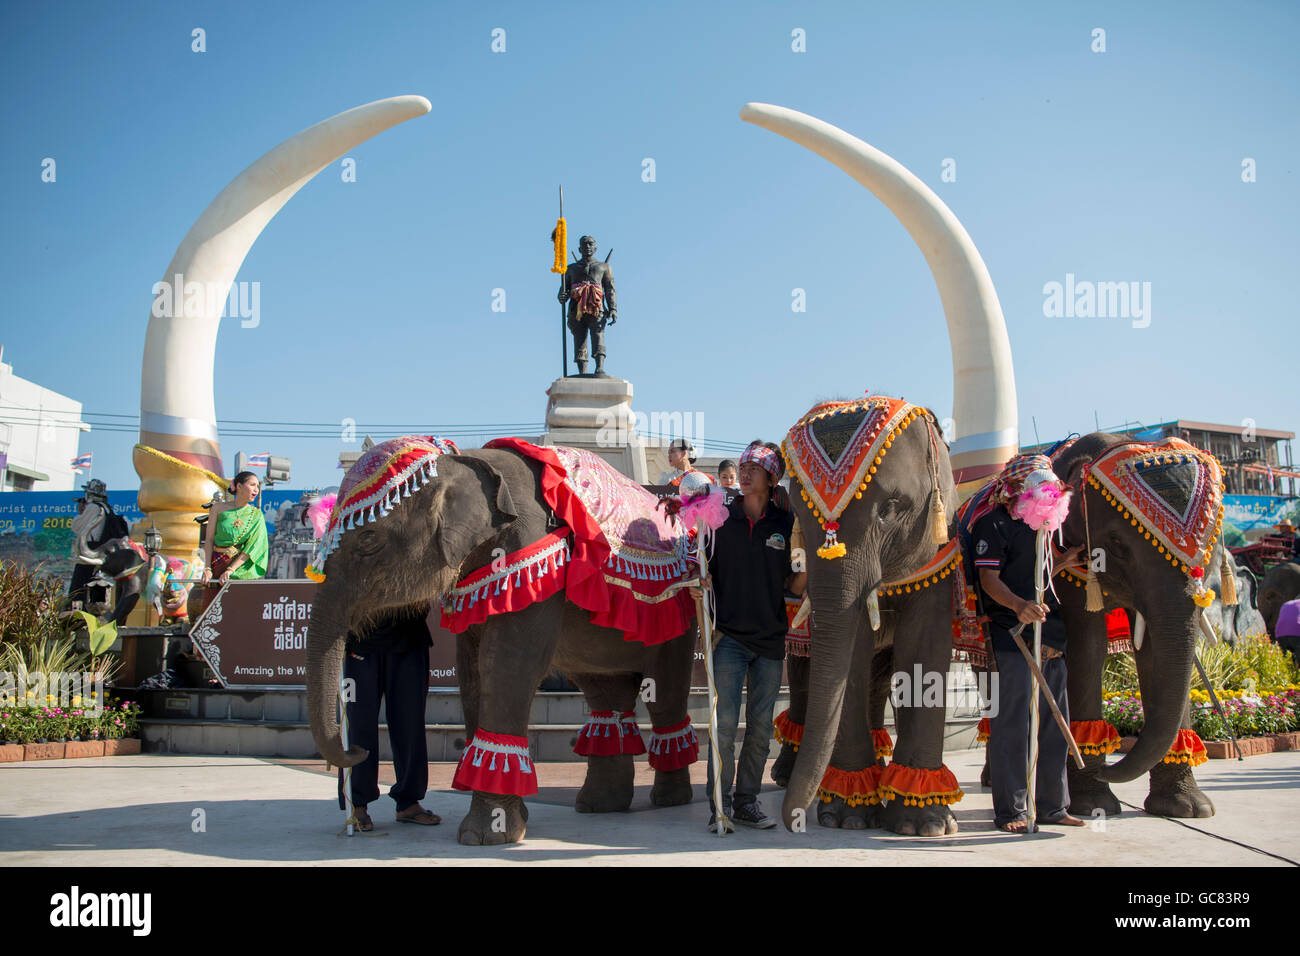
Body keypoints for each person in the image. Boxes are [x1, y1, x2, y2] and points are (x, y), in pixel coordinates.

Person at [692, 440, 802, 832]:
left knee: (759, 730)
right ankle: (718, 805)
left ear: (772, 478)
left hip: (771, 641)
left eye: (756, 468)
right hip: (729, 640)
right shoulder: (720, 519)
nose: (746, 473)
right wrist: (699, 579)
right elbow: (699, 566)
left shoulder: (785, 526)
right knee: (722, 726)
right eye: (744, 466)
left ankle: (746, 801)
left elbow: (794, 583)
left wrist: (812, 563)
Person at [972, 456, 1086, 832]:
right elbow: (989, 579)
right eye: (1043, 489)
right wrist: (1019, 606)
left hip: (1049, 634)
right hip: (1011, 636)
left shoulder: (1042, 527)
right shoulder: (993, 524)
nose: (1050, 496)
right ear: (1020, 490)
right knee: (1013, 725)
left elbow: (1036, 578)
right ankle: (1012, 811)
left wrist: (1061, 564)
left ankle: (1053, 806)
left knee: (1054, 721)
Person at [338, 605, 440, 830]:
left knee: (410, 725)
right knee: (358, 726)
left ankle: (408, 802)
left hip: (409, 641)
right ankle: (356, 805)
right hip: (360, 643)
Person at [557, 235, 617, 376]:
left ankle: (599, 367)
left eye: (590, 244)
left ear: (595, 248)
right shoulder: (570, 269)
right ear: (579, 249)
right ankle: (582, 370)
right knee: (579, 338)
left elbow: (610, 289)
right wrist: (562, 297)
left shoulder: (604, 267)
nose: (588, 247)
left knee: (598, 334)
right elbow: (562, 292)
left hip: (597, 308)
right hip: (576, 309)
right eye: (585, 244)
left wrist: (613, 308)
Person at [202, 471, 269, 586]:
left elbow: (253, 547)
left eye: (258, 486)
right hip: (217, 564)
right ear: (239, 486)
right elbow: (209, 540)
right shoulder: (218, 509)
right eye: (252, 485)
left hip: (241, 569)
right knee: (212, 602)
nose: (256, 490)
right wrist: (207, 569)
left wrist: (230, 570)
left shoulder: (256, 515)